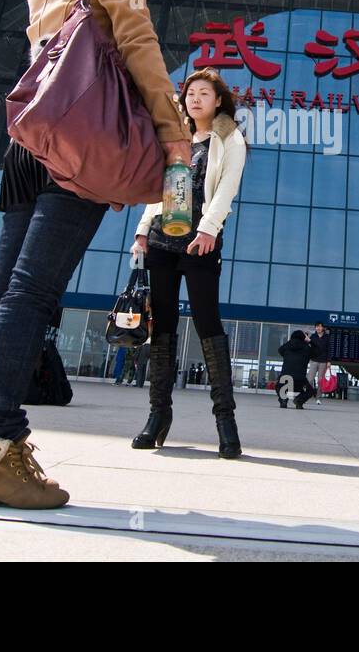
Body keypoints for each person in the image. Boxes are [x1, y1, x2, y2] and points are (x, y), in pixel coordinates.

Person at [0, 0, 190, 509]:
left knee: (3, 291)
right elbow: (138, 45)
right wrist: (174, 135)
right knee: (33, 291)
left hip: (30, 139)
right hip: (81, 144)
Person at [131, 68, 248, 458]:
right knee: (161, 326)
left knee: (208, 324)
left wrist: (209, 229)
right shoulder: (176, 139)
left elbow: (227, 188)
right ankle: (157, 416)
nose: (195, 98)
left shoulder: (229, 138)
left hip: (201, 242)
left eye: (203, 93)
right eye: (190, 93)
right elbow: (159, 189)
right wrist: (144, 229)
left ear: (218, 101)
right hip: (163, 241)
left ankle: (225, 422)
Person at [277, 330, 313, 409]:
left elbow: (280, 350)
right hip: (300, 382)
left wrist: (290, 341)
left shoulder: (287, 346)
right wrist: (309, 341)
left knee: (278, 384)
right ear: (303, 338)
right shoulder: (307, 348)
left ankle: (283, 400)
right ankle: (299, 401)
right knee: (310, 391)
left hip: (285, 380)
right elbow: (318, 352)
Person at [308, 321, 330, 407]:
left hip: (323, 361)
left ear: (323, 328)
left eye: (320, 326)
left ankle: (318, 398)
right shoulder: (313, 336)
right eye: (317, 326)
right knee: (309, 379)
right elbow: (310, 347)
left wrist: (329, 361)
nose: (318, 328)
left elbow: (329, 350)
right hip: (313, 360)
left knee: (320, 381)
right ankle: (308, 394)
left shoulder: (327, 337)